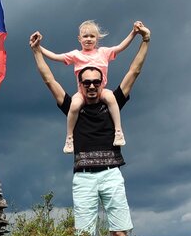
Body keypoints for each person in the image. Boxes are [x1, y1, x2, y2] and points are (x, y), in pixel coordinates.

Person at [29, 22, 151, 236]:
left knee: (119, 235)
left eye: (97, 81)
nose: (93, 86)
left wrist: (145, 41)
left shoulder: (113, 102)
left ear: (102, 82)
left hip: (111, 173)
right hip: (83, 178)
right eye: (87, 82)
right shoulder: (74, 107)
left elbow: (134, 71)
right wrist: (37, 51)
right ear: (80, 84)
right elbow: (50, 80)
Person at [35, 20, 141, 153]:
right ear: (79, 39)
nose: (88, 39)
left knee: (111, 98)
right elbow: (56, 57)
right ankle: (69, 138)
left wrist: (134, 33)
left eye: (92, 36)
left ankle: (118, 131)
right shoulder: (76, 55)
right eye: (85, 36)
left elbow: (120, 47)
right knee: (73, 106)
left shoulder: (103, 52)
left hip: (100, 91)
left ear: (97, 39)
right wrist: (39, 48)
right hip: (82, 92)